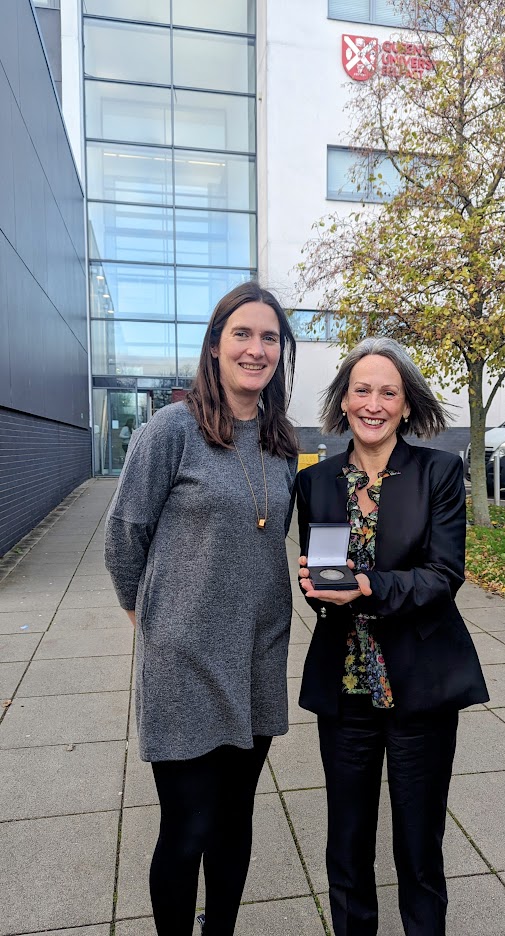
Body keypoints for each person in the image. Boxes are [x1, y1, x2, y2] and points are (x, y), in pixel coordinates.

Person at [104, 282, 299, 936]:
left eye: (268, 337)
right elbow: (122, 541)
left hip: (258, 659)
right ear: (215, 346)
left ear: (281, 352)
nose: (255, 348)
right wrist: (161, 629)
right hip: (183, 665)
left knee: (235, 821)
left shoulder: (280, 445)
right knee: (186, 829)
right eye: (241, 334)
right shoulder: (171, 432)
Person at [295, 337, 489, 936]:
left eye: (388, 392)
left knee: (419, 848)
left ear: (406, 406)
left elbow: (442, 575)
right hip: (346, 688)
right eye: (361, 390)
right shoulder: (317, 481)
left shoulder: (438, 472)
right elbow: (321, 569)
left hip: (420, 688)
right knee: (347, 848)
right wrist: (317, 586)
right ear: (343, 400)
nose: (373, 403)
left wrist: (366, 587)